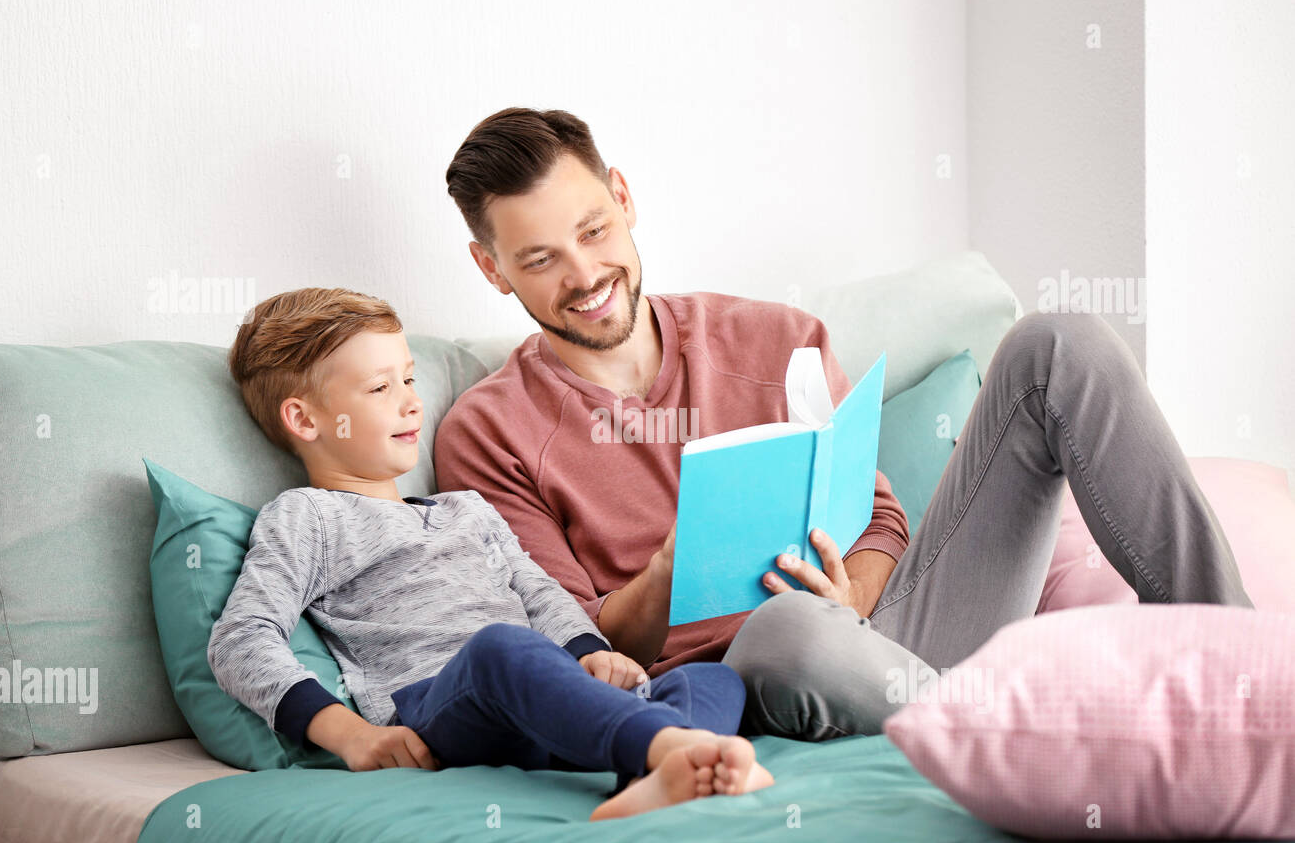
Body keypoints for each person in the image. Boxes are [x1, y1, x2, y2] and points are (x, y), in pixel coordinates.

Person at [433, 106, 1255, 740]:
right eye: (540, 259)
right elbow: (580, 654)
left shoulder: (773, 338)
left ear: (623, 197)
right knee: (787, 625)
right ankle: (1033, 741)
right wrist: (666, 573)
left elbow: (883, 520)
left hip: (901, 628)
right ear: (492, 268)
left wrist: (851, 595)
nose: (585, 275)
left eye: (593, 230)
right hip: (750, 676)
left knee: (1059, 341)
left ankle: (1247, 678)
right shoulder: (489, 432)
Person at [208, 287, 774, 821]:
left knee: (711, 679)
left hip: (548, 691)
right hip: (444, 701)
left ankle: (651, 783)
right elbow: (241, 638)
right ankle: (671, 746)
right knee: (502, 649)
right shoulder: (307, 517)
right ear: (304, 419)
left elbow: (538, 592)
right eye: (381, 389)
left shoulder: (467, 509)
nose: (410, 403)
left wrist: (588, 653)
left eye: (409, 379)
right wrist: (349, 734)